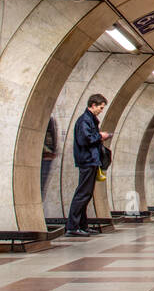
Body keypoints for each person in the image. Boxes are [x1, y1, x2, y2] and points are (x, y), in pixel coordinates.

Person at [66, 94, 108, 237]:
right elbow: (85, 139)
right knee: (82, 194)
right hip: (87, 160)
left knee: (86, 194)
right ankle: (72, 227)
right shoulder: (84, 120)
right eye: (100, 108)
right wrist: (100, 136)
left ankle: (82, 225)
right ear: (93, 105)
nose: (101, 111)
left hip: (91, 160)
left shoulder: (90, 120)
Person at [40, 116, 58, 197]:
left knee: (41, 186)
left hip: (46, 156)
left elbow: (52, 137)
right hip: (46, 156)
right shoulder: (49, 120)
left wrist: (50, 151)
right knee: (41, 186)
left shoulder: (48, 120)